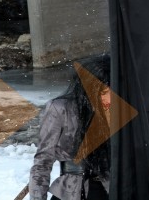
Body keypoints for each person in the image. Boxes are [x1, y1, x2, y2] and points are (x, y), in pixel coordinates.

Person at [29, 55, 111, 200]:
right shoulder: (60, 108)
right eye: (104, 92)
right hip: (71, 191)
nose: (110, 99)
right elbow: (43, 160)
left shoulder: (117, 111)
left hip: (108, 189)